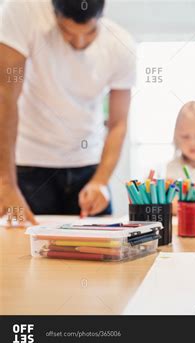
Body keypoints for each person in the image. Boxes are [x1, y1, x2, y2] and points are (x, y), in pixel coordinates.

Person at [0, 0, 136, 225]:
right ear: (53, 14)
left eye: (90, 33)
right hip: (27, 169)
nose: (79, 42)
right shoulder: (23, 11)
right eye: (68, 33)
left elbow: (118, 123)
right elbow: (5, 95)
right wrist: (6, 183)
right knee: (23, 250)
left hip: (88, 169)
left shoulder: (121, 46)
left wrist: (100, 181)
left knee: (100, 251)